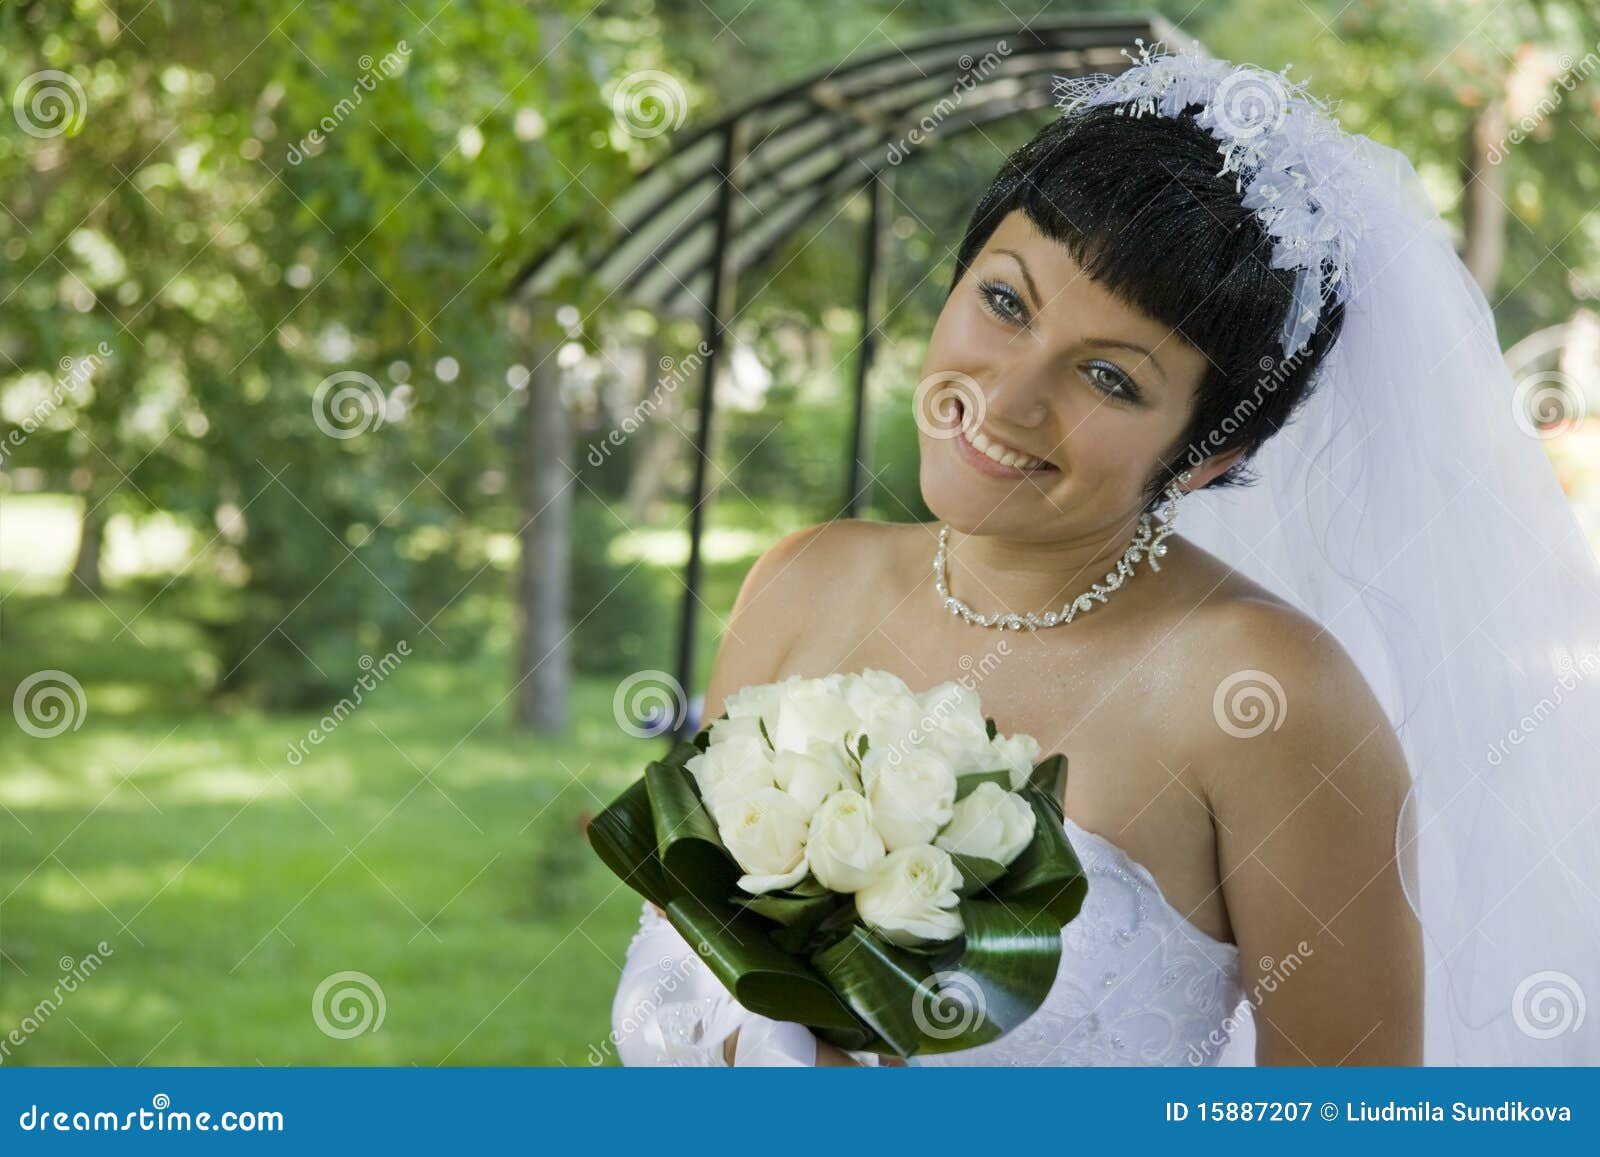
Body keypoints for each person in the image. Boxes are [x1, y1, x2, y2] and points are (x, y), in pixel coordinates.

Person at [610, 43, 1600, 1067]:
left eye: (1111, 379)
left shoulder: (1267, 696)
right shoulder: (798, 582)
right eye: (1005, 301)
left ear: (1210, 452)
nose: (1008, 397)